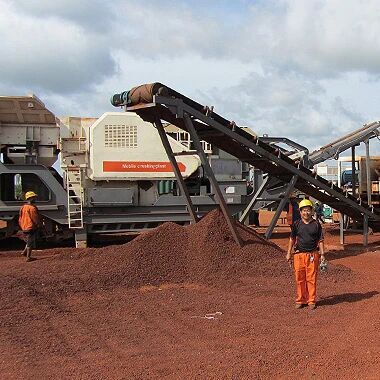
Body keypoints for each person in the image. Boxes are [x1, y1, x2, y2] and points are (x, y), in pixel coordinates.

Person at [286, 199, 326, 310]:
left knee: (311, 278)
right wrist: (289, 253)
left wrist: (322, 254)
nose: (306, 213)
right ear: (300, 212)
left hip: (313, 255)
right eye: (304, 210)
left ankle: (311, 300)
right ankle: (300, 300)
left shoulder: (316, 225)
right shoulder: (296, 224)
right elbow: (292, 239)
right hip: (299, 255)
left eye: (308, 210)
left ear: (312, 211)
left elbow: (320, 240)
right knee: (299, 278)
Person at [19, 191, 40, 262]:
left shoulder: (23, 207)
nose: (35, 199)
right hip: (30, 227)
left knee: (28, 240)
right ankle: (28, 257)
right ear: (30, 198)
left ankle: (24, 252)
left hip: (24, 226)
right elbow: (35, 218)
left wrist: (21, 225)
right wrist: (38, 225)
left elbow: (20, 217)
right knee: (30, 242)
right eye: (34, 197)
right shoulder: (32, 208)